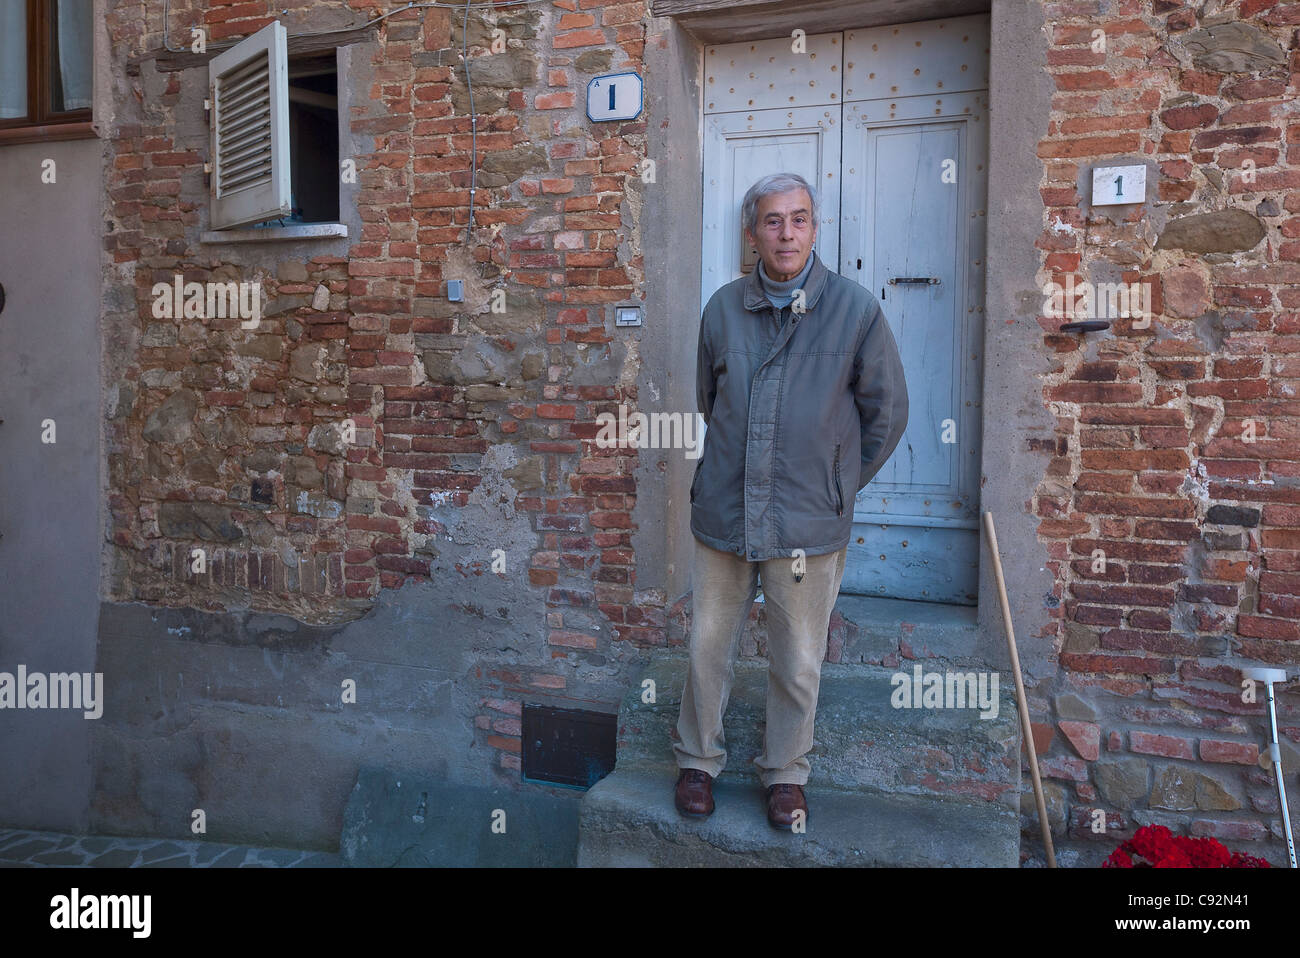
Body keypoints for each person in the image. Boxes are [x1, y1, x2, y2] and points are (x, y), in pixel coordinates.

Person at [673, 172, 910, 829]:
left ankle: (785, 774)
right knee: (706, 647)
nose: (786, 233)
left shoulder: (855, 310)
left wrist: (835, 481)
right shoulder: (722, 308)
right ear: (752, 233)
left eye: (799, 219)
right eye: (772, 221)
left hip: (808, 521)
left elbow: (886, 414)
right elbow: (709, 399)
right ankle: (697, 761)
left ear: (814, 228)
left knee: (798, 658)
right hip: (722, 508)